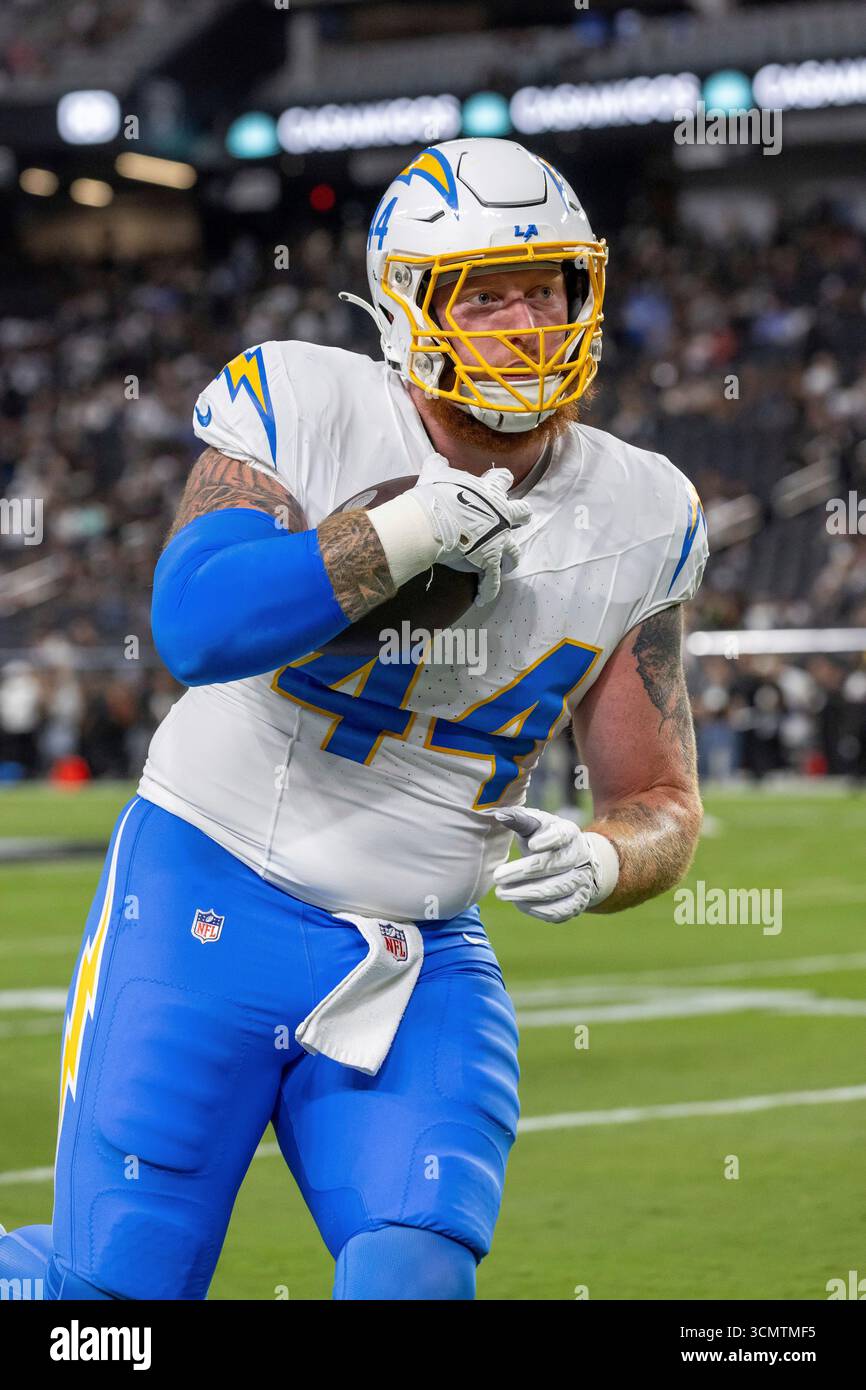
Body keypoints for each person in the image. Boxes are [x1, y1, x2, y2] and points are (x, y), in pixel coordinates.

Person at [1, 137, 708, 1301]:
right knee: (115, 1298)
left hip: (422, 943)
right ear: (405, 307)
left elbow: (658, 802)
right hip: (209, 893)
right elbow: (194, 621)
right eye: (482, 291)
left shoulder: (647, 506)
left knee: (414, 1275)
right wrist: (390, 538)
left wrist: (603, 856)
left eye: (547, 285)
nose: (524, 317)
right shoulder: (308, 403)